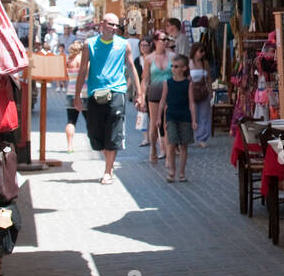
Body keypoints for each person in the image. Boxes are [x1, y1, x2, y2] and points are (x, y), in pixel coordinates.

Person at [74, 13, 142, 185]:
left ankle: (108, 170)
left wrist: (139, 94)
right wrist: (76, 96)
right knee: (95, 132)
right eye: (111, 24)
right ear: (102, 24)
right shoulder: (89, 44)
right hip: (95, 93)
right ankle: (107, 162)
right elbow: (82, 70)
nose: (114, 28)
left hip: (117, 92)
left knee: (113, 131)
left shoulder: (123, 44)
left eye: (116, 25)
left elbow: (132, 68)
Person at [159, 53, 196, 182]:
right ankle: (171, 171)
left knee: (184, 145)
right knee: (171, 143)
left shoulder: (188, 84)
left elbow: (191, 102)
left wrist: (194, 119)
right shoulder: (167, 83)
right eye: (172, 66)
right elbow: (163, 101)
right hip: (171, 116)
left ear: (184, 68)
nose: (173, 68)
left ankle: (181, 172)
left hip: (185, 116)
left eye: (176, 66)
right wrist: (159, 117)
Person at [143, 30, 173, 163]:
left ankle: (167, 155)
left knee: (168, 125)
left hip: (170, 94)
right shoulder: (149, 59)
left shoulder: (172, 56)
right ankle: (153, 150)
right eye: (163, 39)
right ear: (155, 41)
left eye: (167, 39)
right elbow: (145, 79)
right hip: (154, 93)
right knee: (154, 125)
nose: (166, 42)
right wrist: (141, 96)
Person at [189, 42, 212, 148]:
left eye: (203, 51)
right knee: (193, 115)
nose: (202, 54)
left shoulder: (205, 63)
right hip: (192, 92)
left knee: (204, 115)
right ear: (195, 51)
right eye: (200, 51)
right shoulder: (189, 63)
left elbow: (208, 78)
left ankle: (202, 138)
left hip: (203, 91)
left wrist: (211, 91)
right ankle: (192, 136)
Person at [64, 41, 83, 152]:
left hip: (70, 92)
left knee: (71, 120)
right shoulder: (83, 60)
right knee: (90, 121)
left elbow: (65, 76)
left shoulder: (68, 60)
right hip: (84, 92)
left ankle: (69, 146)